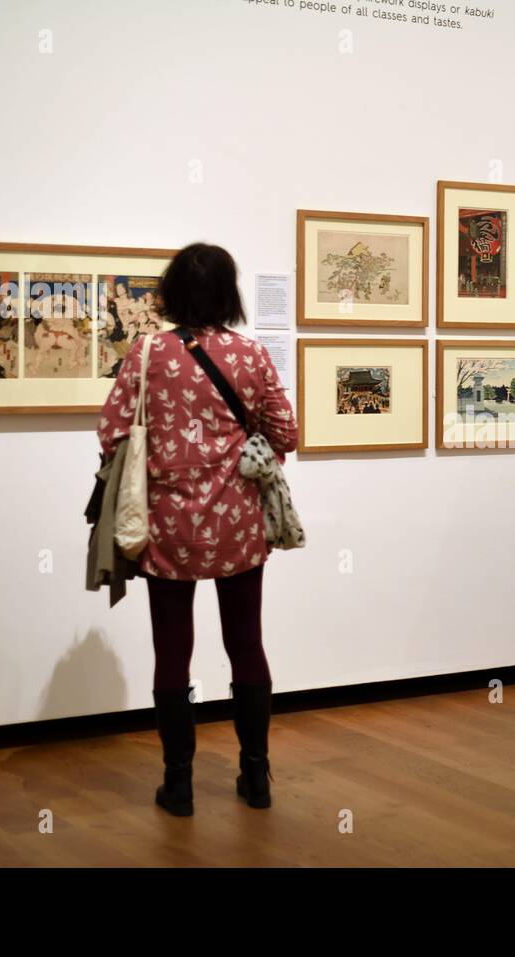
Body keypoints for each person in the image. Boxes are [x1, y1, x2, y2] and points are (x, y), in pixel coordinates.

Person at [96, 243, 299, 817]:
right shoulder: (252, 354)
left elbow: (111, 432)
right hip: (238, 524)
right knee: (246, 645)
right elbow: (286, 431)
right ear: (228, 292)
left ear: (174, 290)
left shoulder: (147, 354)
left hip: (167, 528)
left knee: (171, 652)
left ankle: (178, 784)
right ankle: (256, 778)